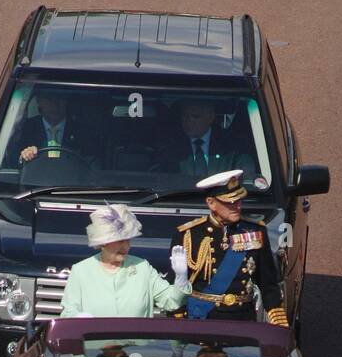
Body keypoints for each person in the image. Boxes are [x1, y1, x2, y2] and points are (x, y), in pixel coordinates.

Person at [169, 170, 288, 325]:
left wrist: (278, 321)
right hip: (202, 318)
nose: (237, 206)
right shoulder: (189, 234)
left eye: (239, 200)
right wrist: (178, 318)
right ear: (211, 203)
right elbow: (176, 284)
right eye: (230, 202)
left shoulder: (255, 231)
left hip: (242, 319)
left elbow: (267, 283)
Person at [60, 204, 190, 317]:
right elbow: (68, 312)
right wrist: (79, 318)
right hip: (93, 343)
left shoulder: (142, 267)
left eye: (128, 240)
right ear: (103, 243)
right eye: (120, 241)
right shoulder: (81, 270)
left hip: (135, 345)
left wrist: (181, 278)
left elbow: (171, 301)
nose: (126, 246)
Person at [8, 91, 94, 168]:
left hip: (72, 183)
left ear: (66, 101)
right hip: (34, 182)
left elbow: (93, 164)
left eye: (60, 98)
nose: (55, 105)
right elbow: (10, 162)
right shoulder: (25, 128)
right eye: (49, 99)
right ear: (39, 101)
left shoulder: (82, 131)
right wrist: (23, 156)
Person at [160, 99, 244, 178]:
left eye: (195, 116)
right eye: (185, 115)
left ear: (210, 117)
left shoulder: (230, 145)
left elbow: (245, 172)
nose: (188, 121)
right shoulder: (171, 145)